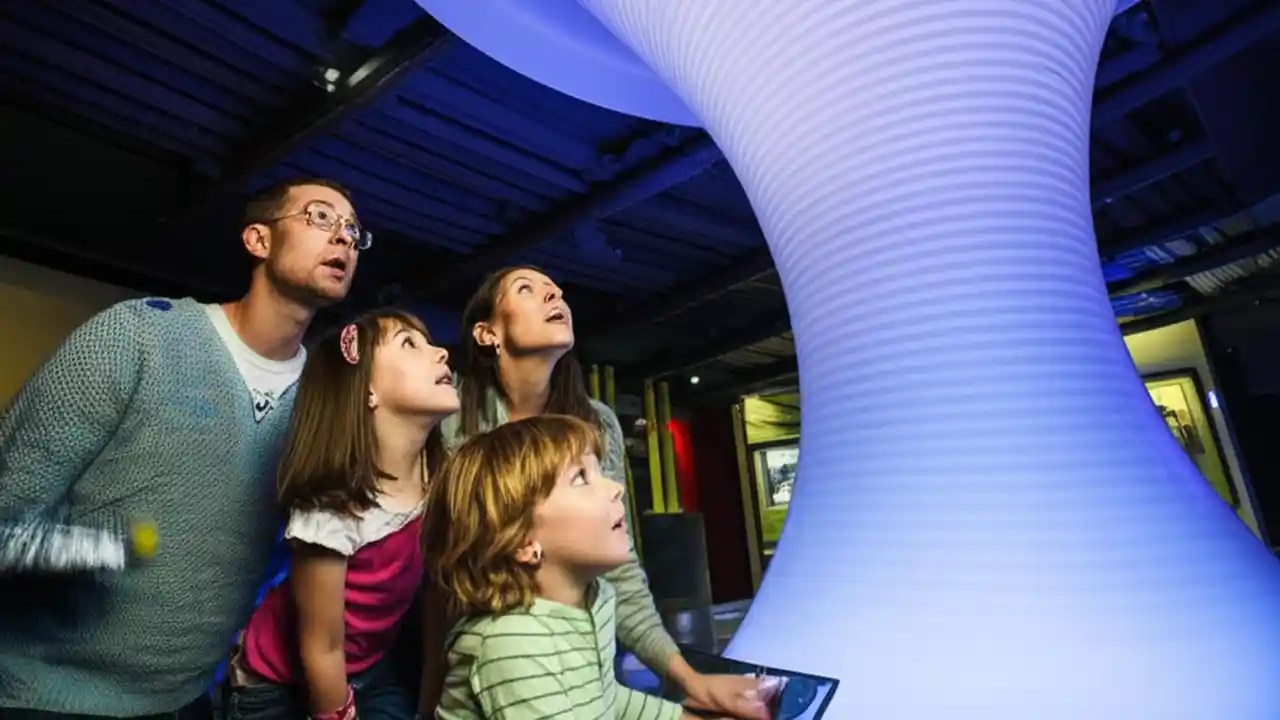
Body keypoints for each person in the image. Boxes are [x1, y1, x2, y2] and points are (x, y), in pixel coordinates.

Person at [0, 177, 368, 719]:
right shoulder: (136, 337)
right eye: (318, 217)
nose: (341, 238)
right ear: (258, 241)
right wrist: (105, 549)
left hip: (189, 701)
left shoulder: (322, 403)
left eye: (353, 231)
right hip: (44, 696)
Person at [422, 266, 766, 719]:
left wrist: (688, 684)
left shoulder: (597, 421)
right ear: (486, 333)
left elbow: (621, 571)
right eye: (528, 289)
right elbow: (438, 569)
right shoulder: (447, 420)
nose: (553, 293)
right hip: (501, 653)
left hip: (579, 648)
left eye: (555, 288)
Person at [425, 415, 776, 719]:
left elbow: (603, 699)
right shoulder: (511, 645)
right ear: (522, 542)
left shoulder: (596, 599)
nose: (617, 488)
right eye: (581, 477)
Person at [225, 310, 455, 720]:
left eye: (430, 342)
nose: (441, 353)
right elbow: (321, 647)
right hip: (279, 683)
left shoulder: (439, 477)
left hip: (369, 668)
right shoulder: (331, 506)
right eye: (409, 344)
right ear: (367, 390)